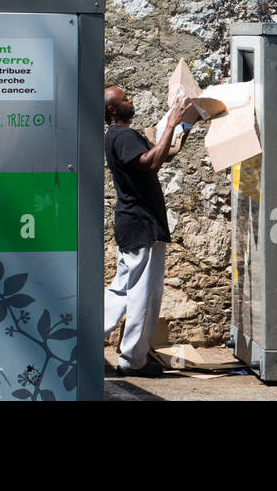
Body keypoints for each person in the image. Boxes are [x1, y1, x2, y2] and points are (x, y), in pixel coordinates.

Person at [102, 85, 201, 376]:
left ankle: (81, 340)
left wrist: (182, 127)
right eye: (125, 98)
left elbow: (158, 156)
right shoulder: (122, 136)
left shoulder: (118, 137)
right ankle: (133, 361)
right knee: (144, 295)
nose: (131, 100)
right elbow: (151, 162)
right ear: (113, 110)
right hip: (141, 224)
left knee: (121, 289)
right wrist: (170, 122)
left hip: (133, 224)